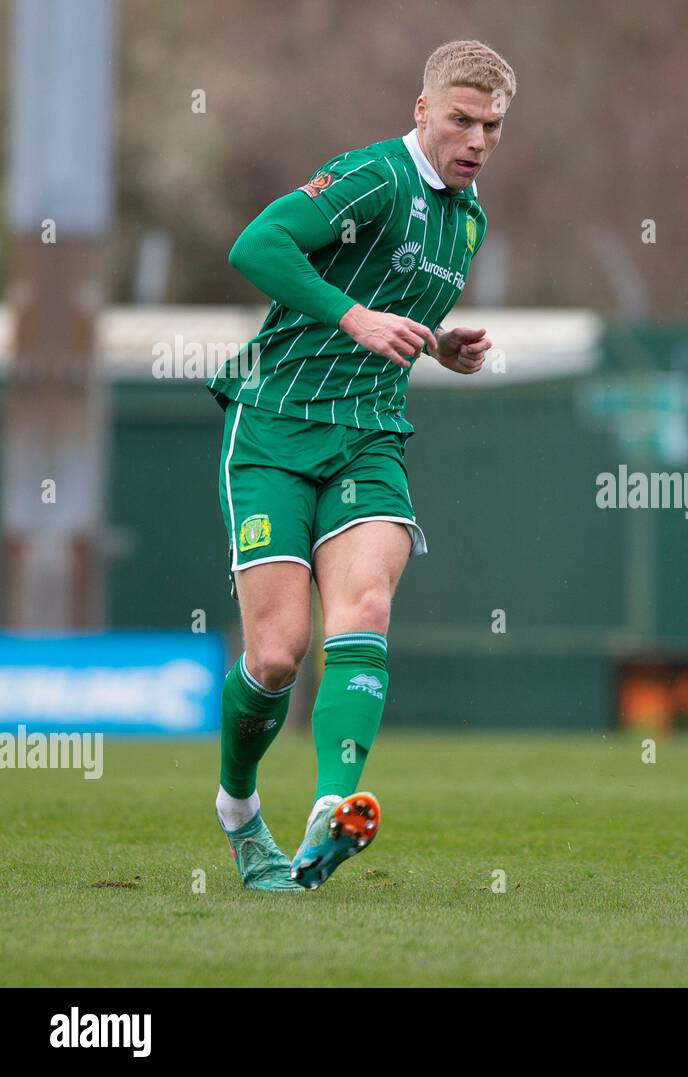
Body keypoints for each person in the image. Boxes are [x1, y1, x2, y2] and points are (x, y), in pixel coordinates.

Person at [204, 40, 515, 890]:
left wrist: (440, 345)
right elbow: (258, 245)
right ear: (422, 111)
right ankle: (238, 808)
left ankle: (326, 815)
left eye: (491, 125)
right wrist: (352, 317)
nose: (477, 137)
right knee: (275, 654)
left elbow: (393, 319)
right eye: (461, 118)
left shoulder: (471, 218)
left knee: (367, 602)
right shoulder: (375, 177)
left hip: (369, 432)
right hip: (272, 423)